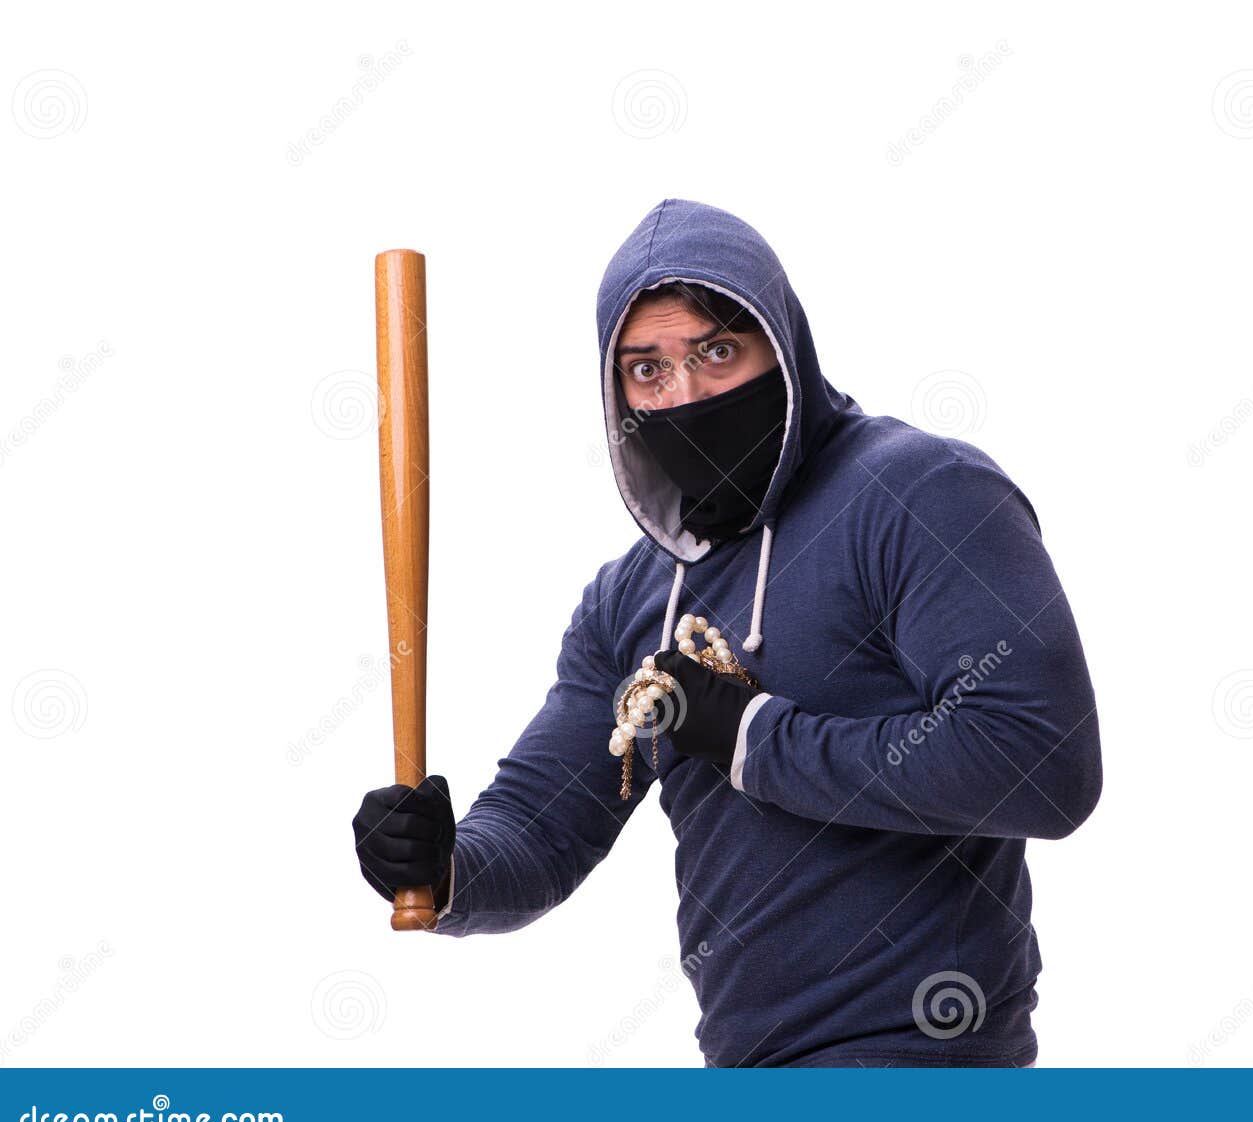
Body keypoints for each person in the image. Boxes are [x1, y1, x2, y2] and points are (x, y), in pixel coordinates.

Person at [352, 199, 1102, 1067]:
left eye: (716, 352)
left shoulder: (921, 495)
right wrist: (443, 867)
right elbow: (541, 827)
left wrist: (750, 736)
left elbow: (1043, 761)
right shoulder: (630, 598)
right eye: (648, 371)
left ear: (781, 346)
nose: (686, 396)